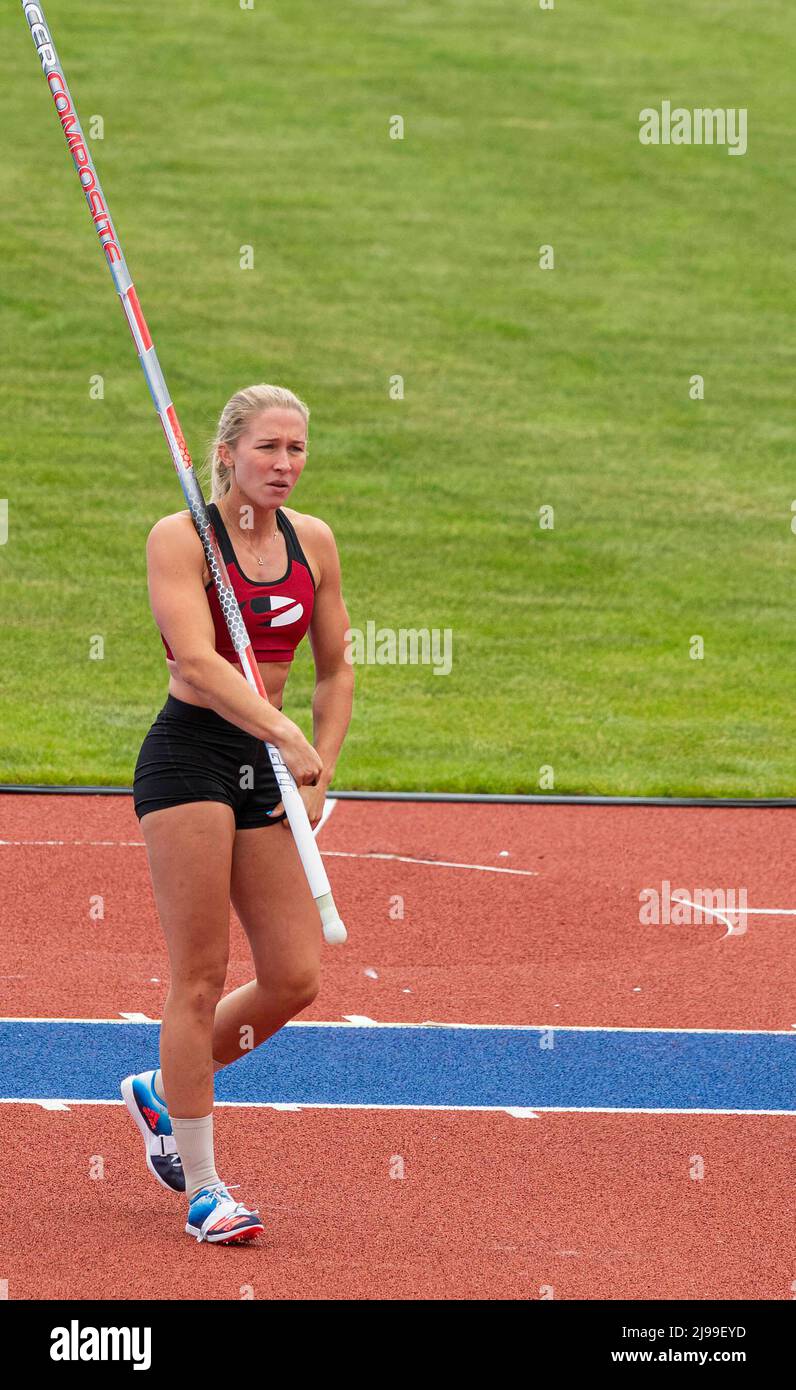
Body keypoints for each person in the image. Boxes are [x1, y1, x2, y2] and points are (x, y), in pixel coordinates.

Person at [121, 383, 354, 1244]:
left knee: (295, 976)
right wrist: (283, 732)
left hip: (272, 766)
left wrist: (319, 768)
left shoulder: (314, 543)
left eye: (296, 450)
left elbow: (335, 669)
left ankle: (161, 1092)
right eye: (267, 449)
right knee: (201, 975)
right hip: (190, 759)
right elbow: (194, 663)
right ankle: (206, 1188)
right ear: (224, 453)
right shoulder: (180, 539)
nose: (284, 465)